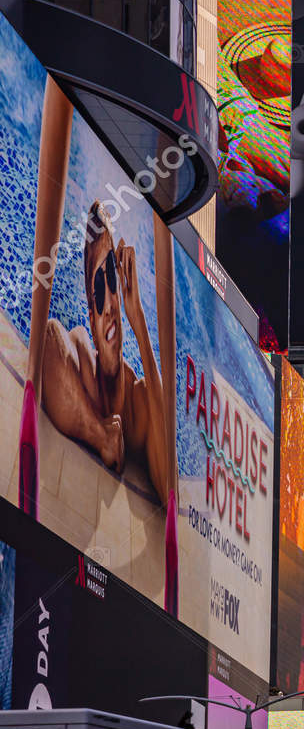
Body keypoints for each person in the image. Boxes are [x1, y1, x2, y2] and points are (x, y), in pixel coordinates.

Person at [37, 201, 173, 506]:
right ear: (91, 316)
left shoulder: (139, 397)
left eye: (112, 280)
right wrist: (101, 436)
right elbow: (49, 339)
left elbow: (168, 491)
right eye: (99, 288)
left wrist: (139, 323)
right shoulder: (84, 357)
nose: (110, 305)